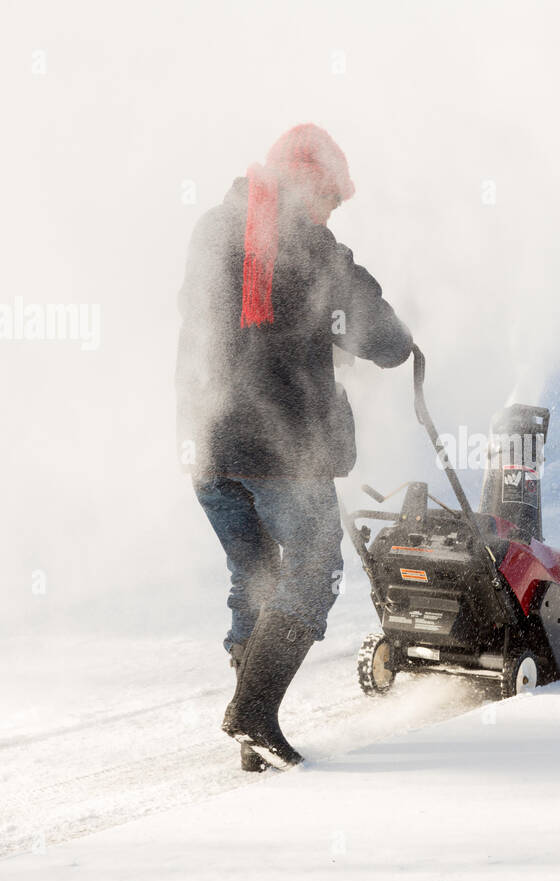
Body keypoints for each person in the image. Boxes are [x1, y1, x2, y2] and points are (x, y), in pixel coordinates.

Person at [175, 124, 412, 771]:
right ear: (311, 184)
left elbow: (216, 326)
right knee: (313, 572)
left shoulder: (211, 229)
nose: (333, 211)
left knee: (256, 579)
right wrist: (403, 339)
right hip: (273, 449)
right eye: (332, 197)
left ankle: (252, 737)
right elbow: (379, 334)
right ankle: (253, 715)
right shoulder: (309, 247)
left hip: (203, 447)